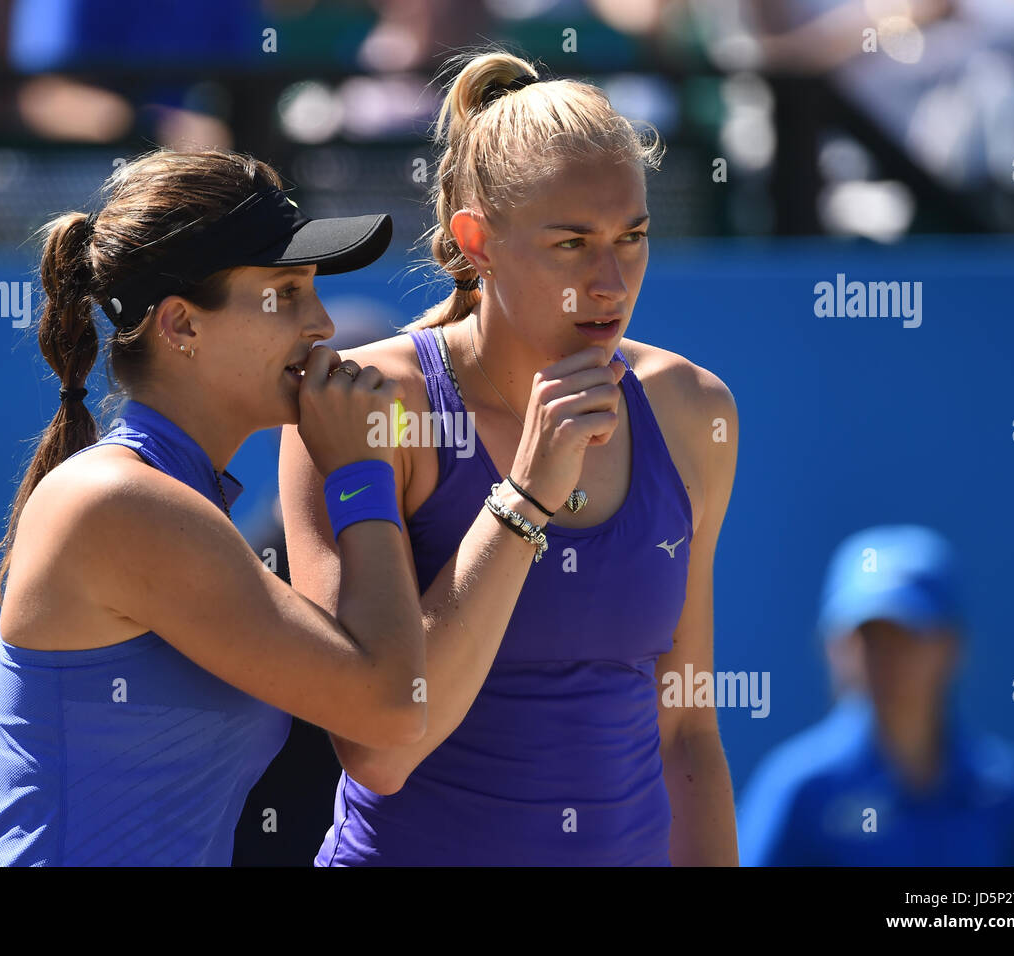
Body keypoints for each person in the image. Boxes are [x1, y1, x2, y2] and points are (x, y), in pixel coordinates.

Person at [280, 50, 740, 865]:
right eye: (571, 244)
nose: (610, 282)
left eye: (632, 237)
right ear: (477, 241)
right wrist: (525, 497)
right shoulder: (370, 407)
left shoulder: (692, 409)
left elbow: (688, 728)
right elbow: (377, 751)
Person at [0, 147, 428, 866]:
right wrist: (363, 473)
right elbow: (391, 711)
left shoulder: (172, 498)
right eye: (287, 293)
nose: (324, 325)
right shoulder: (122, 504)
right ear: (181, 327)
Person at [736, 524, 1014, 866]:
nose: (885, 658)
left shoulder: (1007, 794)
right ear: (835, 650)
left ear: (951, 647)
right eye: (869, 638)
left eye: (907, 636)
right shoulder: (798, 790)